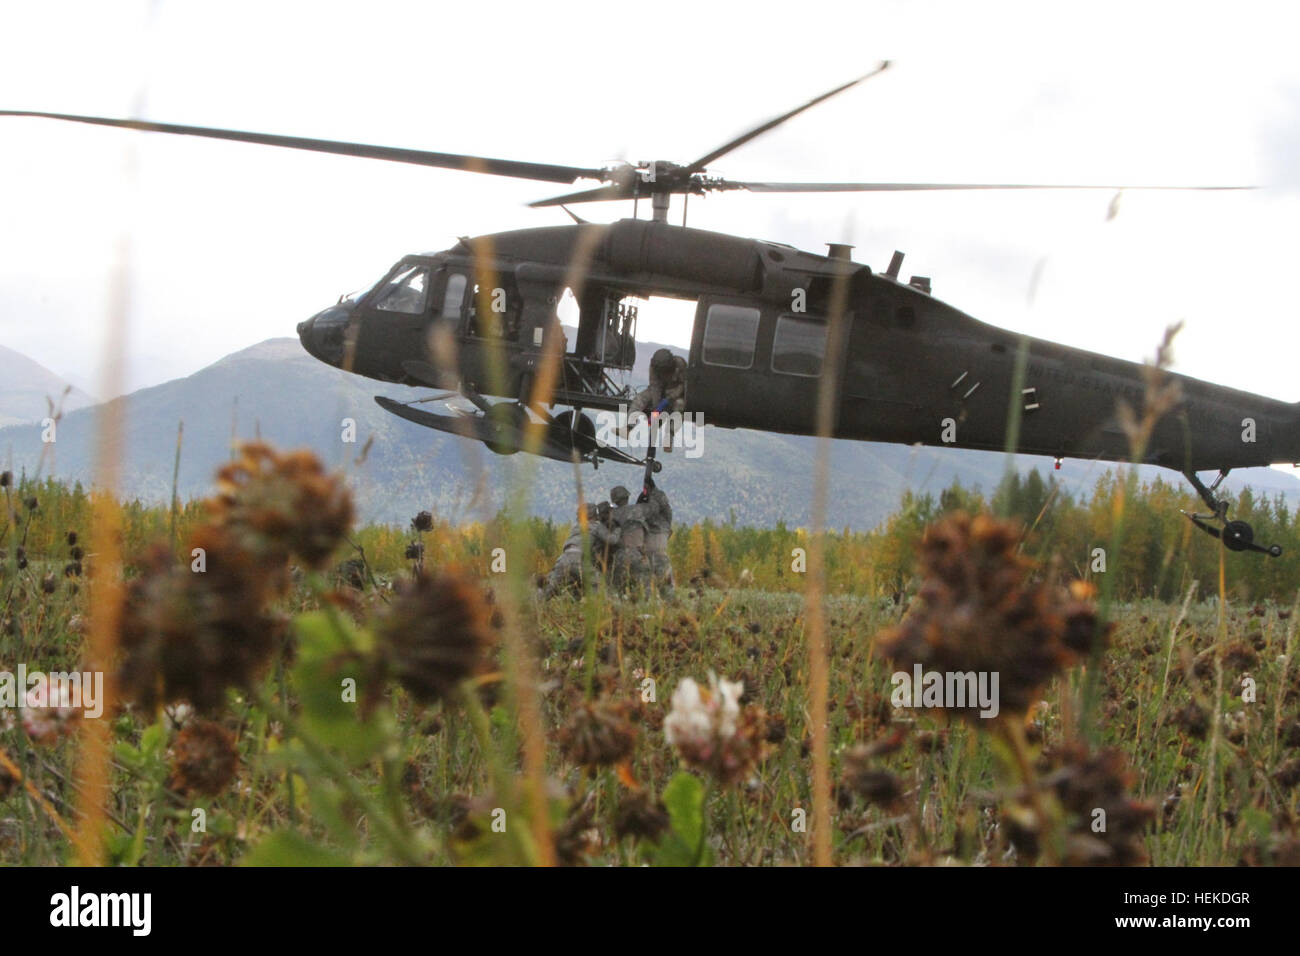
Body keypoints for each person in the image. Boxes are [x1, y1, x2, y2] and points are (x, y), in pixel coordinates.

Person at [543, 503, 618, 598]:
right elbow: (612, 540)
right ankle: (610, 608)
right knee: (599, 585)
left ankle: (530, 604)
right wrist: (617, 529)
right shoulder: (595, 526)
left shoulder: (576, 527)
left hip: (563, 559)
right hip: (579, 559)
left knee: (550, 586)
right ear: (594, 515)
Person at [609, 485, 649, 594]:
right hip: (640, 553)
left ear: (615, 500)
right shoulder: (639, 510)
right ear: (627, 496)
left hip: (621, 555)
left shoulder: (612, 514)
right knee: (645, 591)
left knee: (617, 591)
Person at [639, 477, 675, 595]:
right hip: (657, 544)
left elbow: (649, 510)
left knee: (658, 568)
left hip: (653, 544)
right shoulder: (664, 520)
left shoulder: (654, 498)